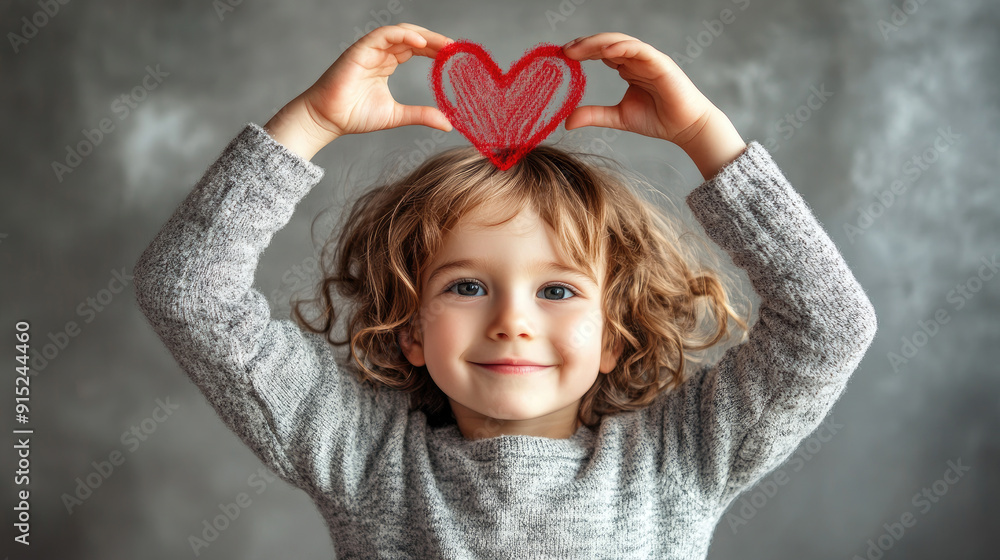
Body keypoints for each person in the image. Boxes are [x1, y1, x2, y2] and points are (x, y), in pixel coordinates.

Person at [134, 22, 877, 558]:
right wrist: (313, 122)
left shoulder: (679, 459)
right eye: (465, 286)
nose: (511, 322)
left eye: (557, 292)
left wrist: (706, 136)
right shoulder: (363, 456)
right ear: (410, 329)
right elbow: (187, 290)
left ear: (614, 335)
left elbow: (831, 324)